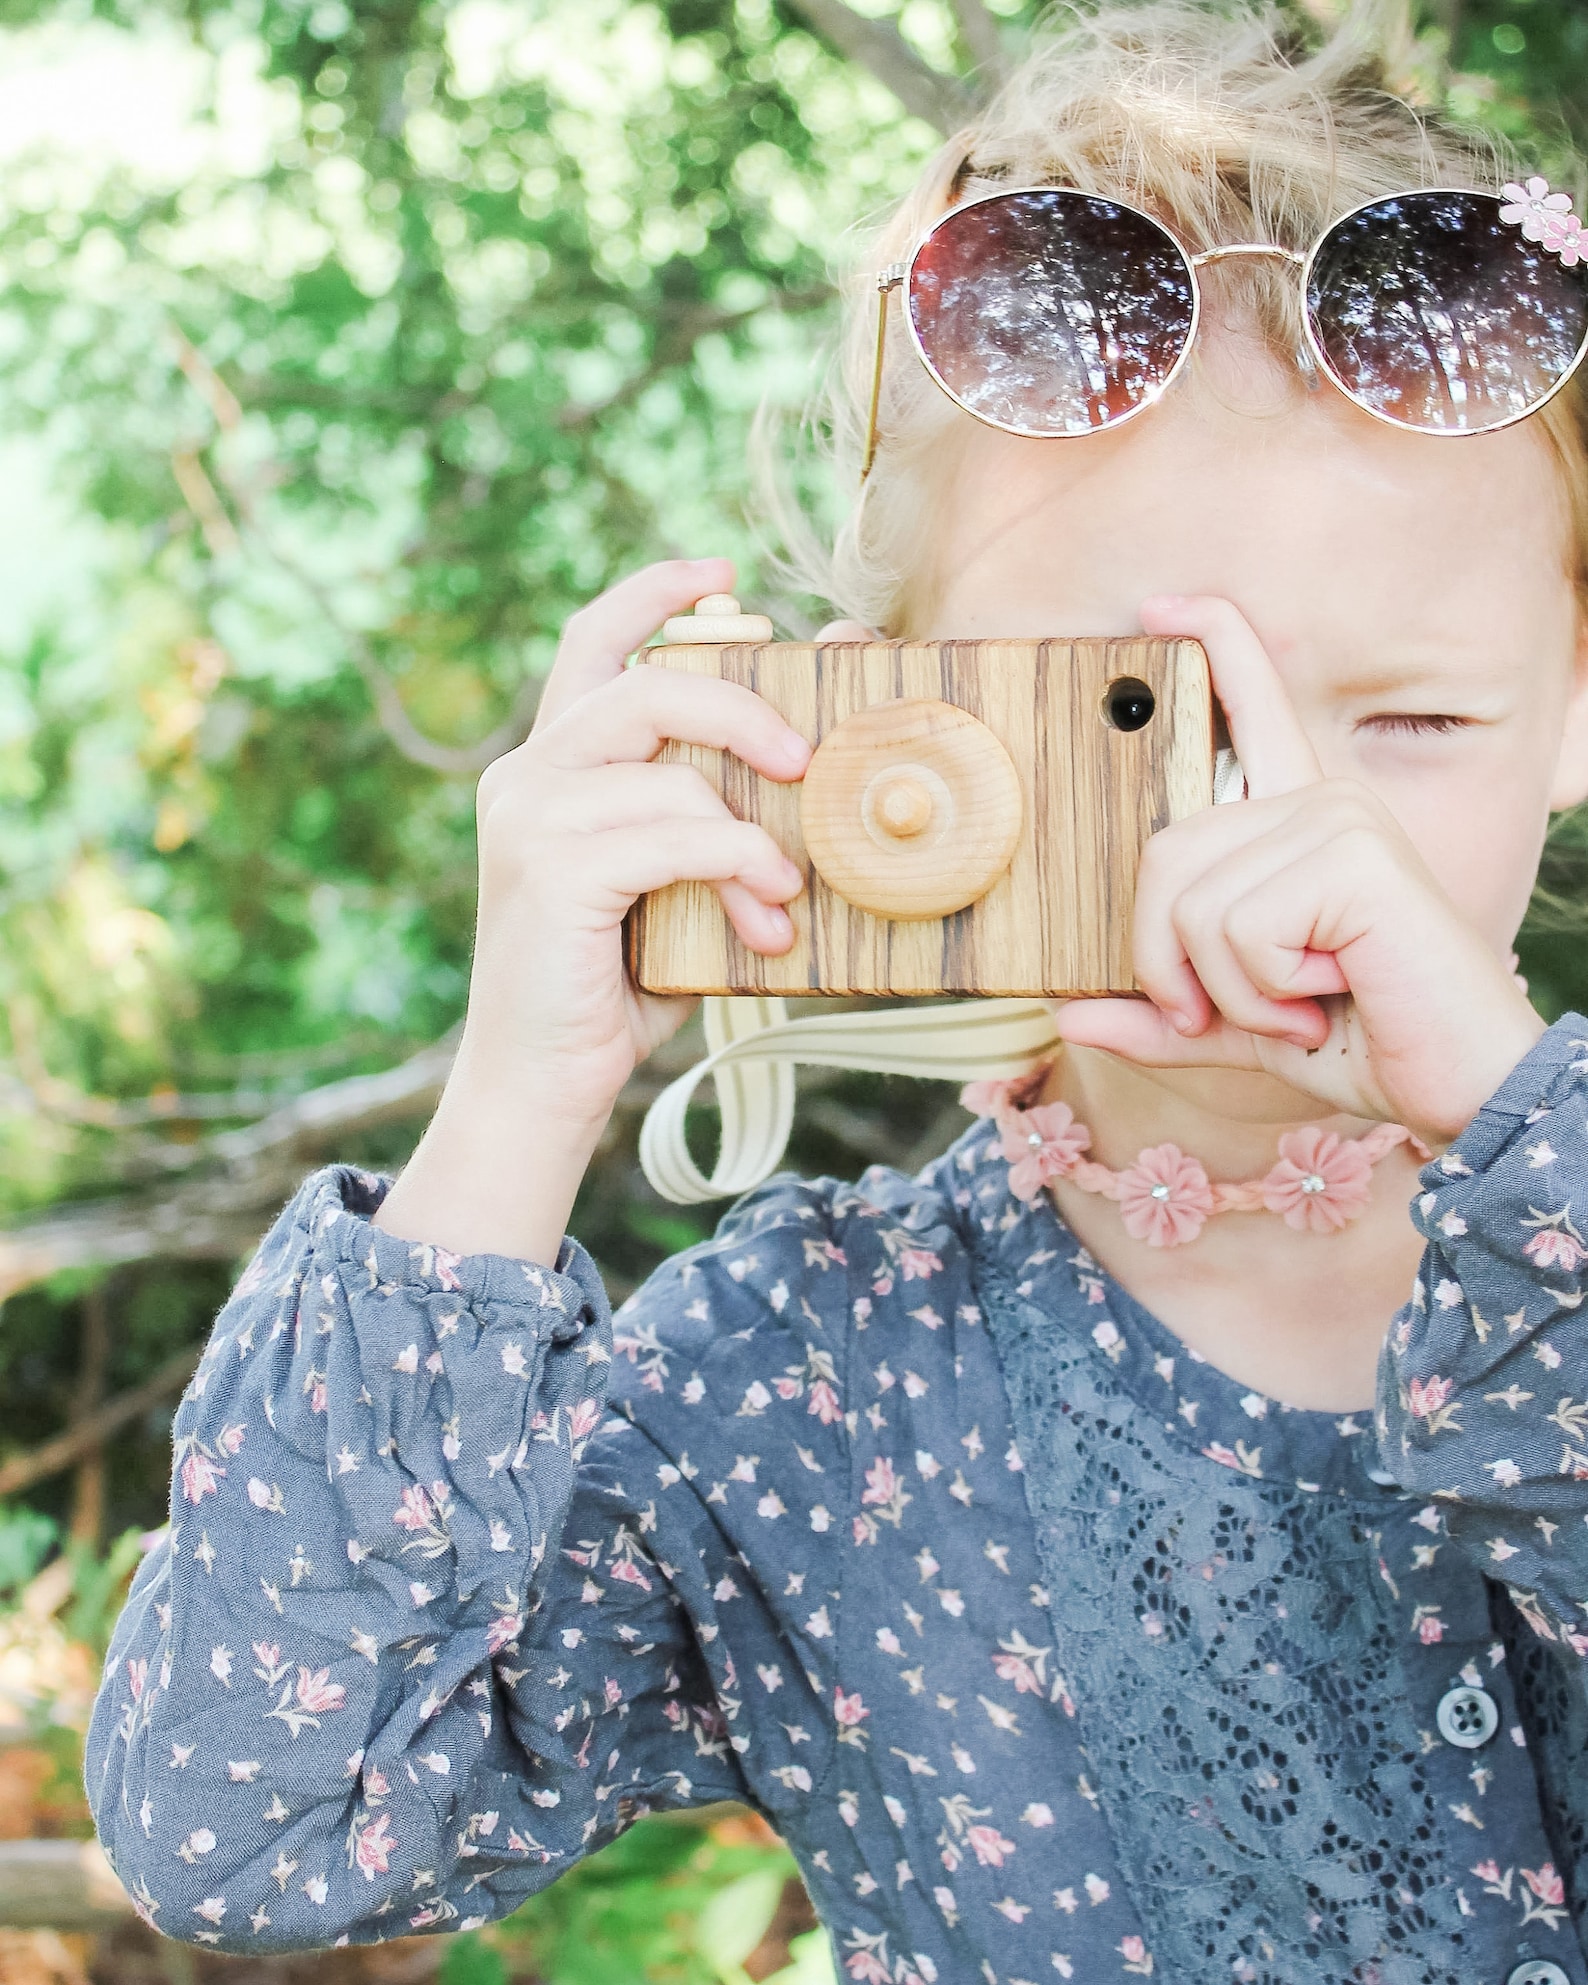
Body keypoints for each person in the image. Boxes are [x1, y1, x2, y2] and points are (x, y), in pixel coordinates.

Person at [84, 4, 1588, 1980]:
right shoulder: (809, 1376)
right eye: (1135, 714)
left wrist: (1529, 1161)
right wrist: (518, 1098)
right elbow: (251, 1825)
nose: (1269, 823)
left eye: (1408, 721)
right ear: (895, 708)